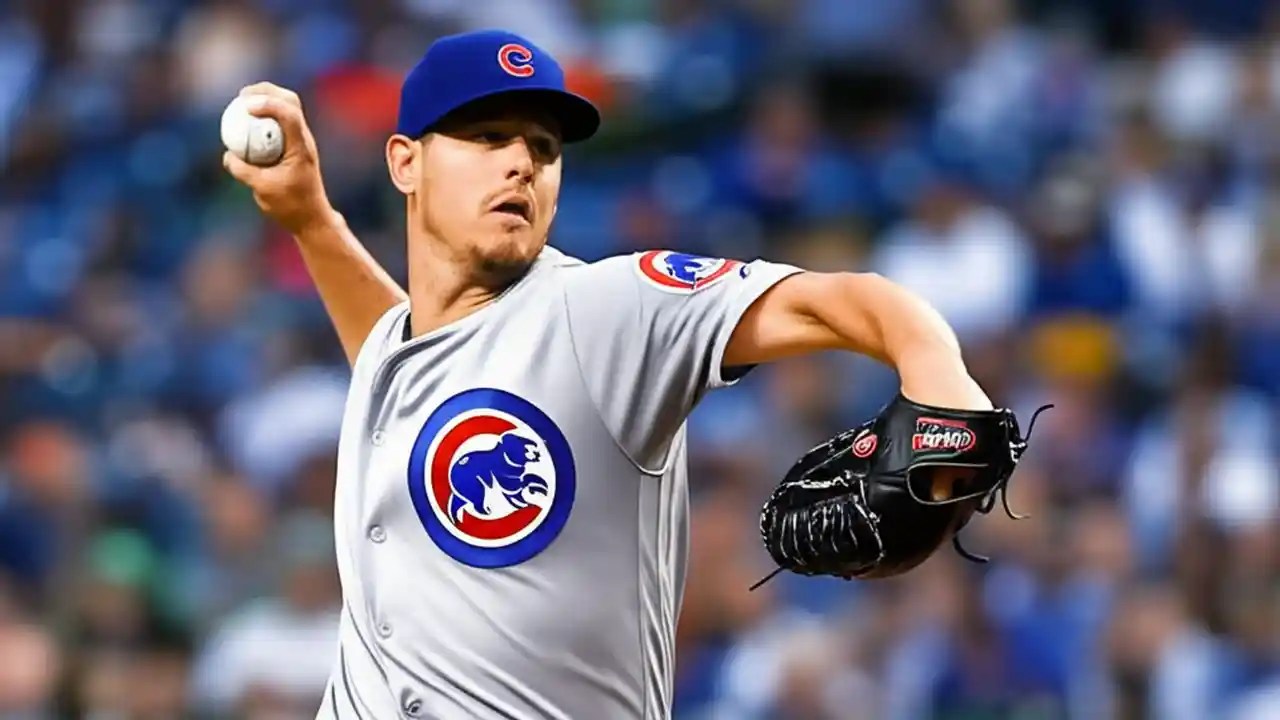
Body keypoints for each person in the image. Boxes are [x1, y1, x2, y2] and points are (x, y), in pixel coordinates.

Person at [223, 29, 995, 720]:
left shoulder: (606, 309)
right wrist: (311, 221)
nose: (521, 161)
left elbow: (845, 302)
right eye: (487, 136)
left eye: (544, 147)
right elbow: (408, 360)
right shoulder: (405, 350)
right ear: (405, 162)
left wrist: (942, 382)